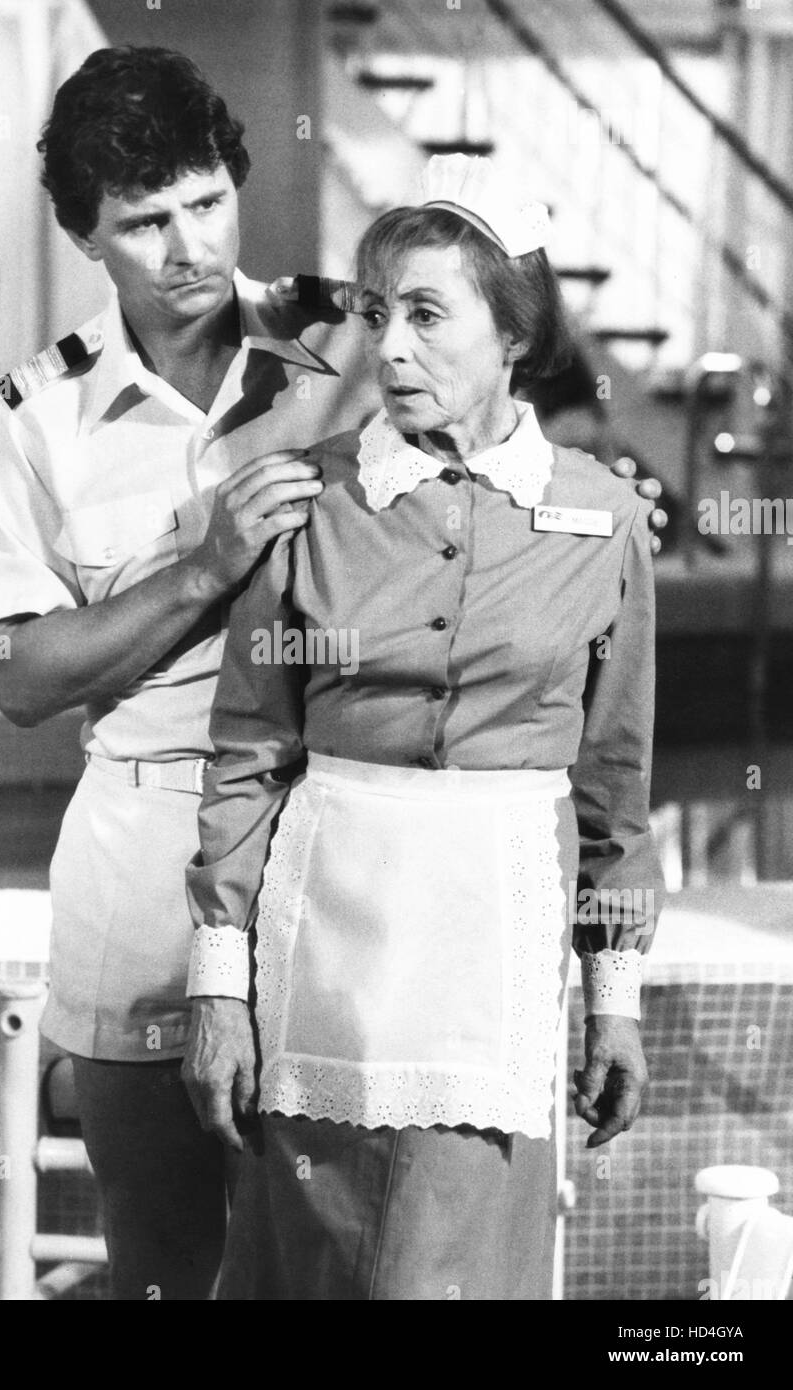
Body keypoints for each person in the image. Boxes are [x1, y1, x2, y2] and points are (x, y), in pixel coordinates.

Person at [0, 46, 665, 1301]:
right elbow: (19, 677)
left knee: (339, 1251)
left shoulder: (347, 326)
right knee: (169, 1253)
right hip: (152, 840)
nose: (186, 245)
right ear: (85, 236)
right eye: (142, 222)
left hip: (351, 868)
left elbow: (491, 356)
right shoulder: (38, 415)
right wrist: (199, 570)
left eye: (204, 201)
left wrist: (587, 516)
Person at [182, 155, 666, 1301]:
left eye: (424, 313)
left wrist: (614, 1005)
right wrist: (215, 987)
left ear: (512, 334)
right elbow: (247, 758)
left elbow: (613, 790)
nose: (387, 346)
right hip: (319, 976)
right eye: (373, 311)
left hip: (489, 982)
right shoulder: (306, 503)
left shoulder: (602, 520)